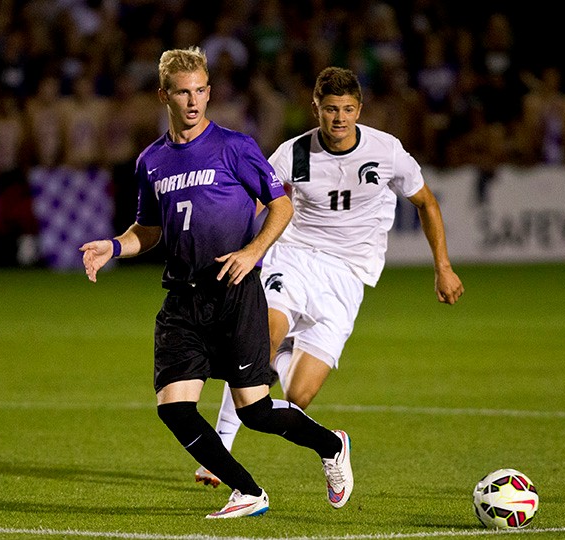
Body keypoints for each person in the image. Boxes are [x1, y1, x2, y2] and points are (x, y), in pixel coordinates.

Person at [80, 47, 353, 519]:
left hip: (233, 292)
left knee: (256, 412)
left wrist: (252, 252)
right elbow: (148, 230)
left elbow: (281, 205)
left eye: (201, 91)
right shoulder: (151, 161)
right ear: (163, 95)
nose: (193, 101)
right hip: (183, 300)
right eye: (183, 93)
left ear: (209, 92)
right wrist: (114, 246)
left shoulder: (234, 147)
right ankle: (247, 491)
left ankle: (331, 444)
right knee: (174, 409)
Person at [196, 66, 464, 486]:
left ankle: (285, 365)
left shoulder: (386, 150)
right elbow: (257, 202)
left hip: (349, 273)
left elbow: (427, 203)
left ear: (359, 109)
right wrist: (236, 245)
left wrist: (443, 268)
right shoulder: (292, 154)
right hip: (294, 256)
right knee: (259, 337)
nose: (339, 119)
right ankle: (221, 449)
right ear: (315, 108)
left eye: (347, 109)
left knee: (298, 395)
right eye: (330, 110)